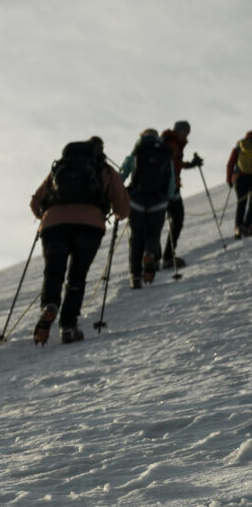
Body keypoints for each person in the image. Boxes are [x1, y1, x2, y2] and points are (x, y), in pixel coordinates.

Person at [28, 137, 129, 344]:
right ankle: (68, 325)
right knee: (77, 276)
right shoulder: (105, 170)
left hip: (53, 224)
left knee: (54, 271)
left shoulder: (60, 167)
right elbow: (123, 208)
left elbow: (35, 202)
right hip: (90, 225)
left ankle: (50, 305)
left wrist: (46, 217)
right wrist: (110, 214)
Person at [120, 129, 175, 287]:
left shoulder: (136, 153)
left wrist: (121, 195)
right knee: (153, 233)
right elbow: (171, 181)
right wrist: (167, 198)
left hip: (136, 200)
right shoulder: (164, 153)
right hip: (158, 202)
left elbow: (121, 177)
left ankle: (135, 276)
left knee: (136, 237)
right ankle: (150, 253)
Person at [160, 119, 201, 269]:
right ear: (178, 130)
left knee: (158, 223)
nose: (186, 134)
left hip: (160, 189)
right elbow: (174, 164)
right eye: (184, 131)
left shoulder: (171, 142)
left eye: (188, 132)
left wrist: (189, 164)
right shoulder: (172, 143)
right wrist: (190, 164)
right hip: (170, 188)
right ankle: (167, 257)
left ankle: (155, 258)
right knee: (177, 220)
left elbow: (175, 164)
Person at [233, 130, 252, 239]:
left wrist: (230, 179)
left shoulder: (239, 147)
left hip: (240, 178)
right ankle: (247, 226)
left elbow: (231, 163)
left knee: (241, 203)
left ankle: (238, 227)